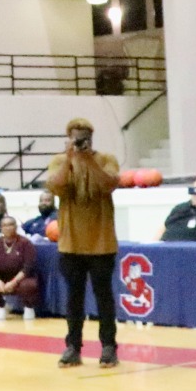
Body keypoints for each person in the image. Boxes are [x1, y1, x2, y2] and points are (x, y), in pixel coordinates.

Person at [45, 117, 120, 368]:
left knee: (104, 297)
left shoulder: (106, 159)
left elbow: (109, 184)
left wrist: (88, 159)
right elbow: (56, 187)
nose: (80, 140)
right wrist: (70, 159)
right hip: (71, 243)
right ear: (69, 137)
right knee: (73, 298)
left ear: (92, 137)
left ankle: (108, 347)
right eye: (76, 136)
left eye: (85, 136)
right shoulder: (59, 161)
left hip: (102, 242)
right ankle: (72, 347)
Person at [0, 220, 39, 321]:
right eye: (4, 225)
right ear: (1, 228)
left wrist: (14, 282)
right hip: (2, 278)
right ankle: (2, 307)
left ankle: (28, 308)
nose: (8, 227)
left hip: (22, 278)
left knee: (29, 285)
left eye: (10, 225)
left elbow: (28, 267)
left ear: (16, 227)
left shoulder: (25, 243)